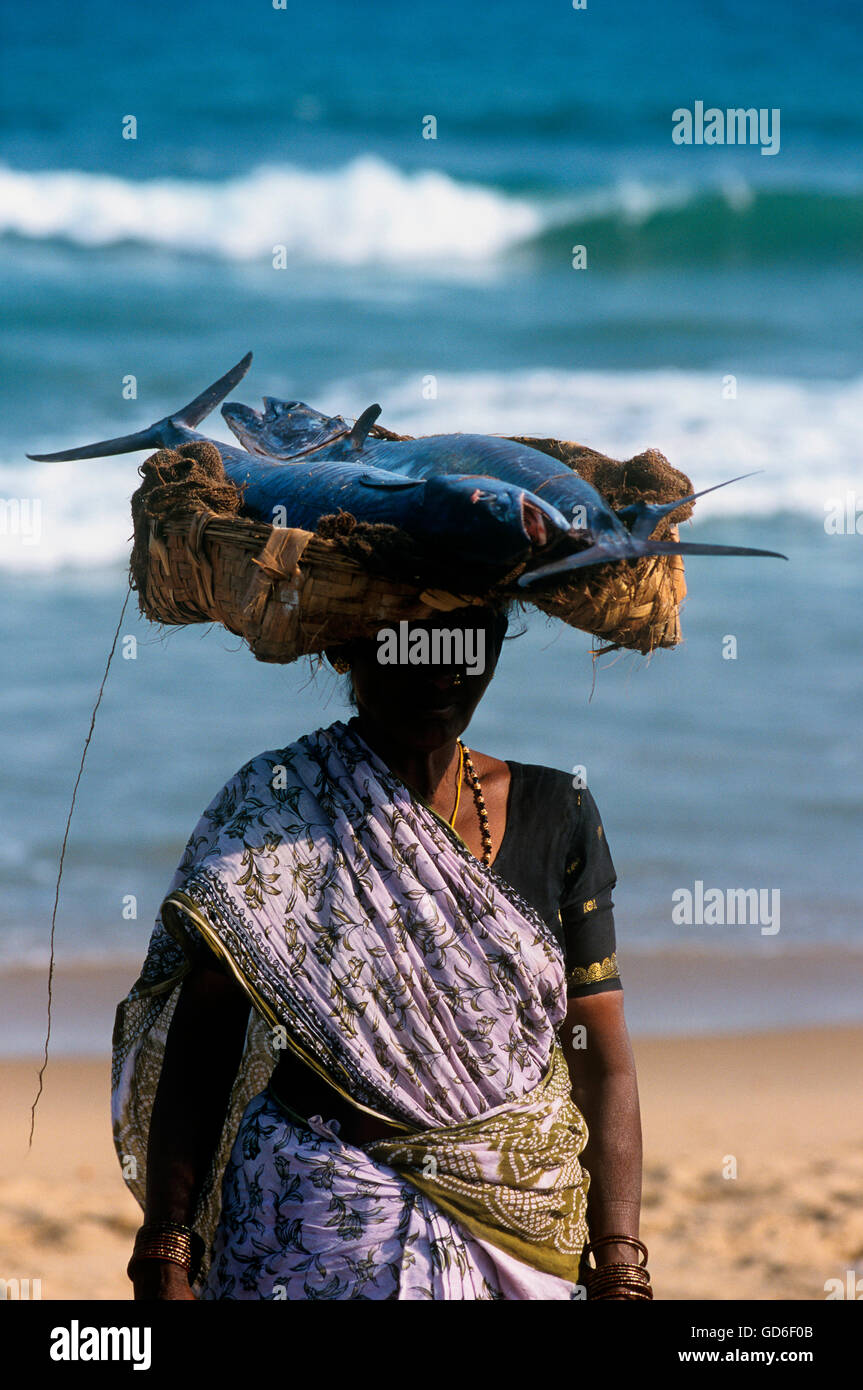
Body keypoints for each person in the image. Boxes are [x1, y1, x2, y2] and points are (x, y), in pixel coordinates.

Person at [113, 605, 650, 1300]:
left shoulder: (559, 809)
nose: (443, 673)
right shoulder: (277, 806)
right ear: (345, 650)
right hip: (313, 1223)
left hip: (521, 1231)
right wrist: (165, 1245)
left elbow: (599, 1051)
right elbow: (204, 1035)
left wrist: (619, 1264)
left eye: (468, 644)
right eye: (410, 647)